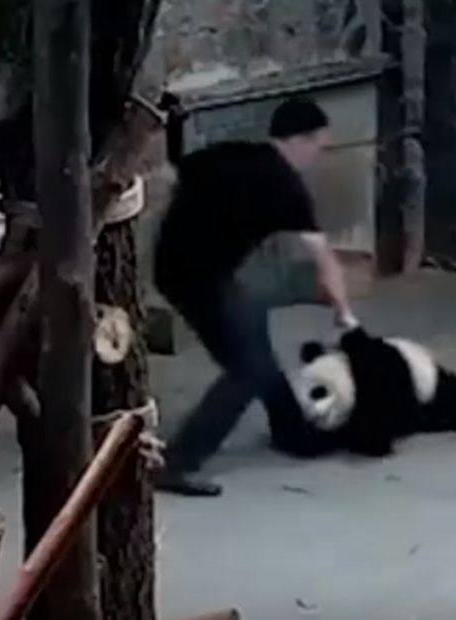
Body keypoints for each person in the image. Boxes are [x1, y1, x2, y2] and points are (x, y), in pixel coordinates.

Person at [153, 97, 358, 497]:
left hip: (173, 266)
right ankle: (176, 463)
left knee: (253, 333)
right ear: (301, 139)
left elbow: (176, 167)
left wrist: (175, 125)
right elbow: (325, 262)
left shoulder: (231, 154)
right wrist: (344, 313)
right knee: (246, 371)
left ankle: (292, 431)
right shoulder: (287, 187)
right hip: (200, 279)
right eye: (317, 145)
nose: (317, 156)